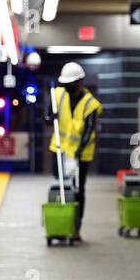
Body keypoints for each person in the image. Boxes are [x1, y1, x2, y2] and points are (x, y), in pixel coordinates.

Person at [48, 62, 101, 241]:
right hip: (59, 149)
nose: (68, 88)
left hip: (81, 154)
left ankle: (76, 226)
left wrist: (80, 149)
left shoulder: (91, 104)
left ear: (80, 82)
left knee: (78, 190)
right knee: (59, 185)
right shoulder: (57, 95)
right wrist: (50, 118)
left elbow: (89, 130)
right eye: (66, 85)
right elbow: (49, 118)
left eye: (71, 84)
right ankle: (60, 224)